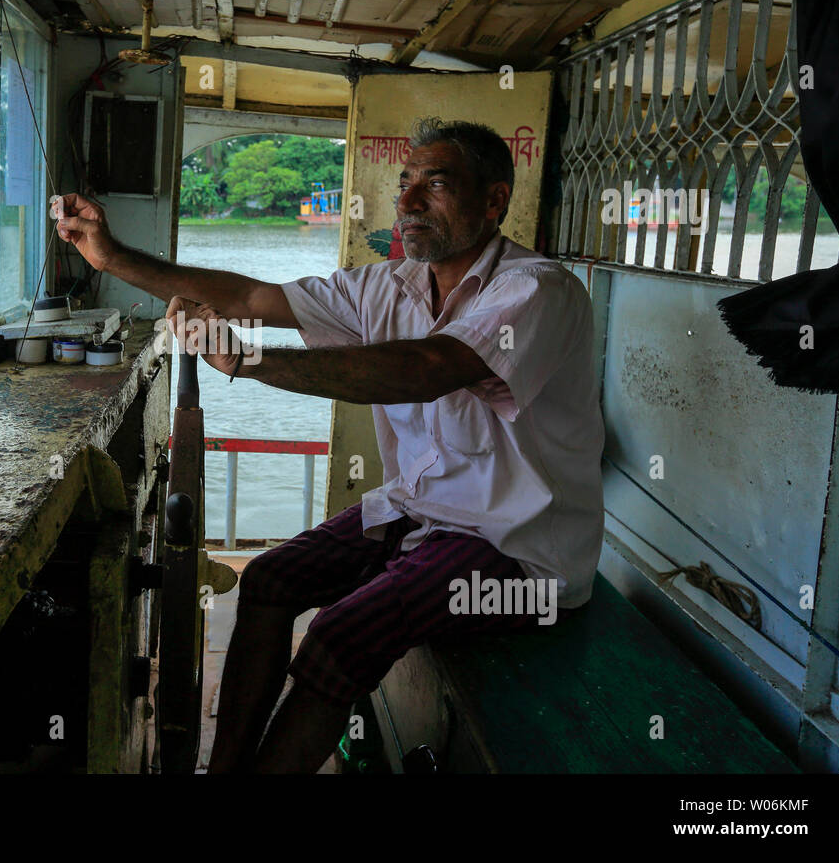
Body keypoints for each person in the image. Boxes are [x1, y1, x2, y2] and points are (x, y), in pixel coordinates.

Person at [54, 116, 605, 773]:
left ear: (494, 201)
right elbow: (250, 296)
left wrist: (247, 362)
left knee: (338, 637)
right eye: (405, 184)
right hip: (423, 509)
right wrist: (113, 258)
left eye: (436, 184)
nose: (407, 202)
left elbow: (427, 368)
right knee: (266, 580)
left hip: (517, 548)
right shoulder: (385, 286)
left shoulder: (537, 290)